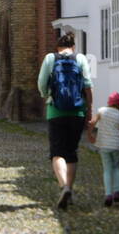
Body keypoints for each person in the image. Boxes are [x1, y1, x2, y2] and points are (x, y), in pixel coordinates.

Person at [37, 32, 92, 210]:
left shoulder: (50, 58)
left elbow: (41, 82)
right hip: (77, 112)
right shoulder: (81, 59)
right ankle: (70, 188)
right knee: (71, 152)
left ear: (58, 46)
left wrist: (47, 95)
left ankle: (64, 187)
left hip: (56, 111)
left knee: (57, 152)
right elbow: (88, 86)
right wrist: (88, 109)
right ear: (73, 47)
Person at [87, 92, 119, 207]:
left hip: (104, 145)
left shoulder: (102, 111)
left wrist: (89, 134)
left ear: (109, 102)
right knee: (116, 168)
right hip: (117, 146)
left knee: (107, 170)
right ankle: (117, 192)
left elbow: (92, 122)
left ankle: (108, 194)